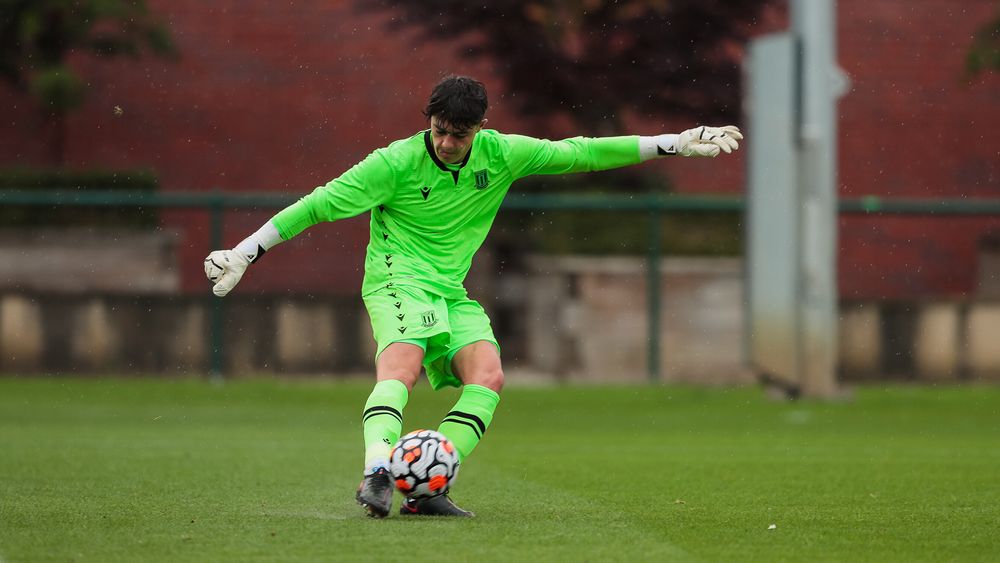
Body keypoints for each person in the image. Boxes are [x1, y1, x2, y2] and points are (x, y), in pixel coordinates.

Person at [203, 75, 742, 518]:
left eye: (458, 135)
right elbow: (317, 205)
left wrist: (673, 142)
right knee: (403, 367)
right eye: (439, 131)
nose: (446, 143)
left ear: (479, 128)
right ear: (430, 122)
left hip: (450, 291)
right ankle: (377, 473)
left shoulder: (501, 154)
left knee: (489, 376)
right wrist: (246, 252)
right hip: (395, 279)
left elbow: (579, 153)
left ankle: (428, 487)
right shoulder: (393, 163)